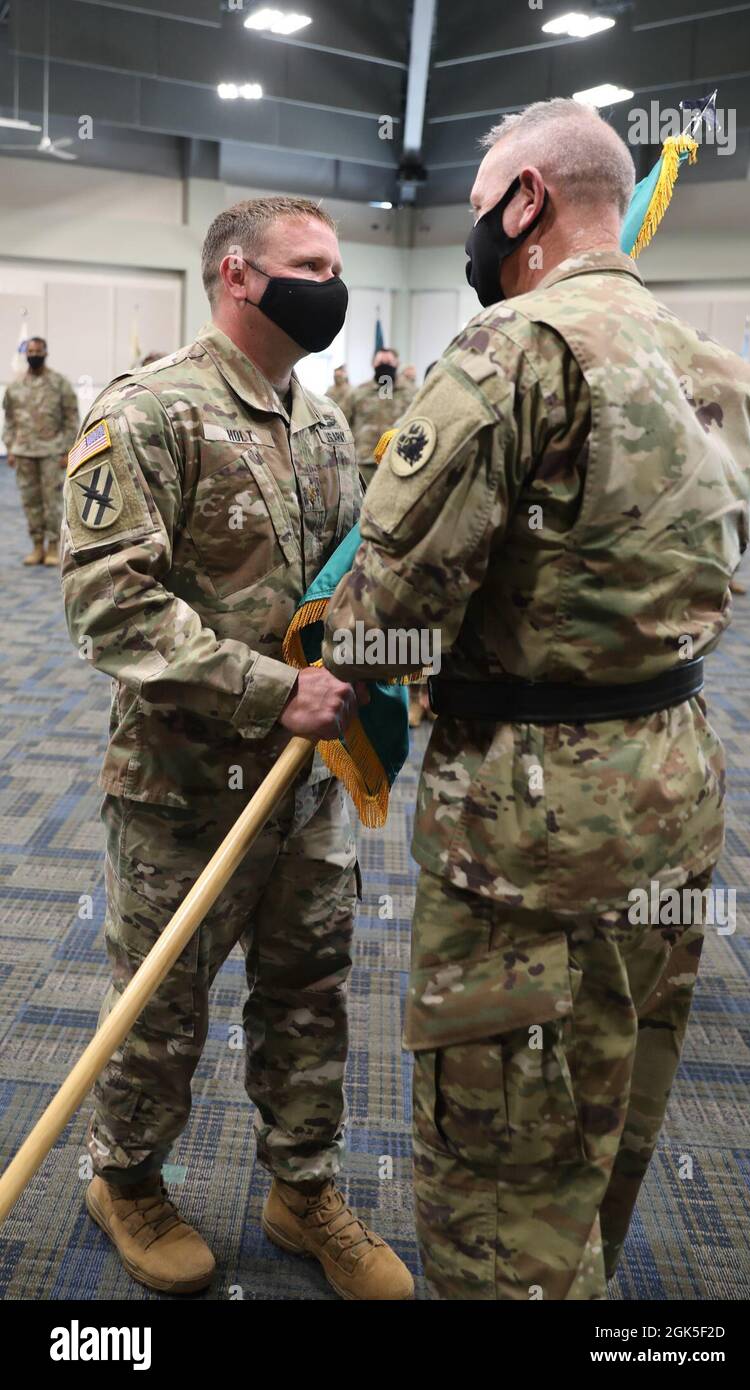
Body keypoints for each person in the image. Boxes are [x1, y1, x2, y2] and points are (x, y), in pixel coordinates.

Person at [322, 98, 750, 1299]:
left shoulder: (509, 352)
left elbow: (381, 622)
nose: (474, 229)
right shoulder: (723, 369)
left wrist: (347, 653)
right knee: (612, 1105)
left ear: (525, 202)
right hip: (673, 789)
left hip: (530, 829)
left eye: (477, 206)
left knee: (503, 1187)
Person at [60, 195, 413, 1302]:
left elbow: (341, 590)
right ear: (238, 275)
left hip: (304, 784)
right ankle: (126, 1178)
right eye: (310, 262)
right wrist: (272, 691)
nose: (333, 283)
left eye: (336, 263)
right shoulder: (148, 411)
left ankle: (301, 1189)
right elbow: (111, 609)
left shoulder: (317, 423)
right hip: (182, 787)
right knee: (160, 1007)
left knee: (310, 992)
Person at [3, 336, 80, 566]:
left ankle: (53, 547)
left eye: (38, 351)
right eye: (30, 351)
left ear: (45, 353)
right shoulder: (15, 386)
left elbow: (71, 418)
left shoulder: (59, 383)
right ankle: (37, 545)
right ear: (25, 354)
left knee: (53, 502)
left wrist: (68, 450)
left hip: (52, 453)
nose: (33, 354)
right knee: (30, 501)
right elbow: (9, 420)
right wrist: (10, 447)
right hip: (24, 452)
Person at [347, 347, 416, 487]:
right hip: (364, 461)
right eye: (380, 361)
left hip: (398, 461)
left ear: (397, 364)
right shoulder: (359, 392)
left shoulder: (411, 393)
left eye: (389, 361)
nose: (385, 365)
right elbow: (343, 421)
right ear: (373, 364)